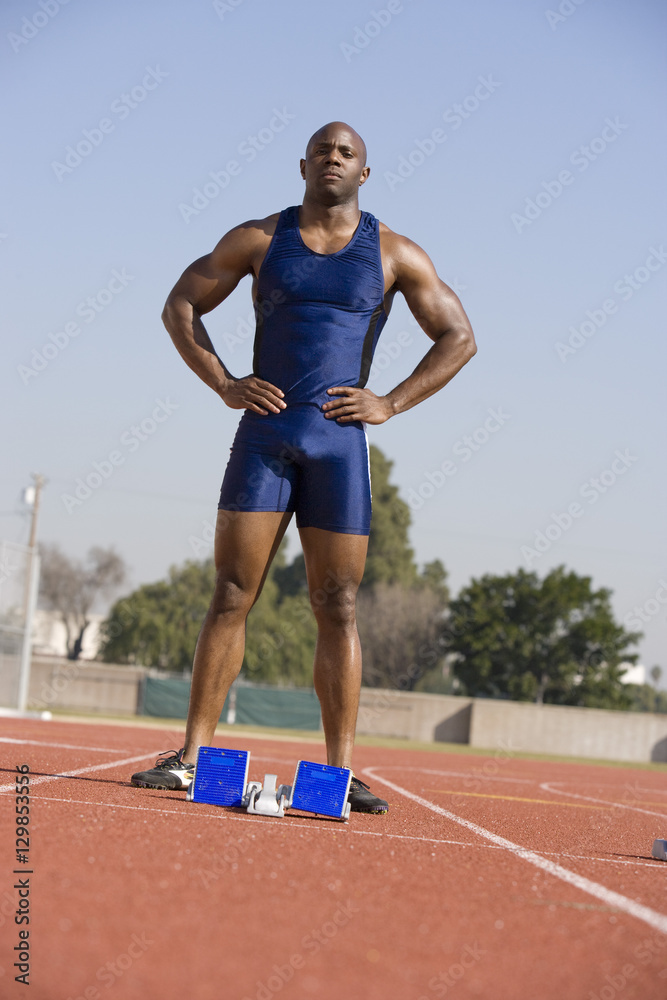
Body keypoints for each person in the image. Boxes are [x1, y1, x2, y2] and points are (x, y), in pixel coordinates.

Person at [131, 121, 476, 812]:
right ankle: (192, 758)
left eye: (346, 153)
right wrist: (224, 383)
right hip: (265, 438)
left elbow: (458, 337)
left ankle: (337, 773)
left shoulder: (394, 252)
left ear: (364, 173)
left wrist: (390, 402)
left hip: (338, 447)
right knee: (232, 592)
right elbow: (180, 304)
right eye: (322, 150)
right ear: (302, 165)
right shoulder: (259, 239)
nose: (333, 159)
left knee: (337, 606)